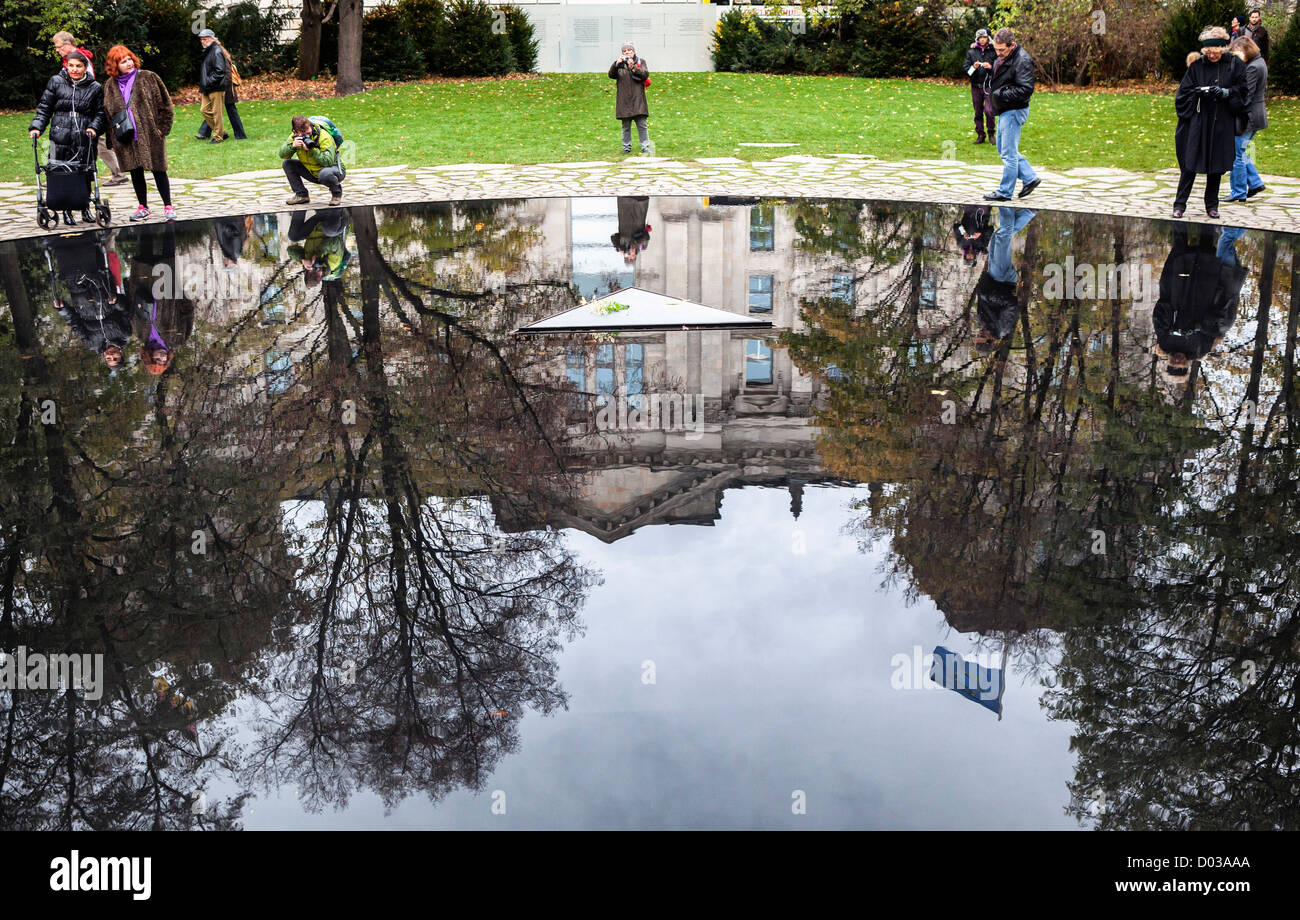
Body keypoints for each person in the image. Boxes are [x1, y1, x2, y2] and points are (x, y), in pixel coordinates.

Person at [1172, 27, 1247, 219]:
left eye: (1216, 52)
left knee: (1216, 166)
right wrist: (1197, 93)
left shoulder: (1235, 64)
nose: (1213, 56)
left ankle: (1212, 206)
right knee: (1189, 165)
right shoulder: (1197, 66)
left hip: (1222, 121)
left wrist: (1226, 93)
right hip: (1198, 122)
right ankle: (1179, 205)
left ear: (1223, 49)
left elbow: (1244, 90)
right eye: (1209, 52)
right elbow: (1182, 94)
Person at [1153, 222, 1243, 377]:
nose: (1177, 361)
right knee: (1206, 248)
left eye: (1173, 364)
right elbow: (1214, 326)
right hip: (1203, 294)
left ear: (1169, 363)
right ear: (1186, 367)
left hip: (1177, 292)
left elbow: (1158, 315)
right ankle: (1207, 219)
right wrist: (1199, 325)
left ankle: (1178, 216)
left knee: (1179, 250)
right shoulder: (1200, 349)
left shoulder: (1165, 344)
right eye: (1180, 366)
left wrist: (1170, 323)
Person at [29, 51, 107, 226]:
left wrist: (94, 127)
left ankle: (85, 205)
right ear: (66, 65)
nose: (74, 69)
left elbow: (101, 113)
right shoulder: (56, 82)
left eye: (78, 66)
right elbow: (45, 107)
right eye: (71, 65)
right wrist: (36, 126)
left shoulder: (95, 87)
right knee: (62, 171)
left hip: (84, 136)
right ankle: (66, 210)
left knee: (85, 171)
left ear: (85, 67)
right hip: (60, 134)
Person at [101, 45, 176, 222]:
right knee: (135, 171)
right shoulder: (110, 85)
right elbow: (107, 114)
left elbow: (166, 105)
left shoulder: (148, 77)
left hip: (150, 134)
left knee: (159, 169)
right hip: (126, 137)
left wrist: (162, 129)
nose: (128, 63)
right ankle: (143, 206)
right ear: (114, 65)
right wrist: (111, 141)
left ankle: (168, 205)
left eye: (129, 59)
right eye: (122, 61)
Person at [52, 31, 127, 187]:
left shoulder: (79, 59)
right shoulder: (74, 58)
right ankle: (61, 172)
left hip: (86, 106)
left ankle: (118, 173)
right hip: (82, 105)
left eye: (59, 47)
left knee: (96, 139)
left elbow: (87, 83)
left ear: (67, 44)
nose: (57, 50)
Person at [47, 232, 130, 366]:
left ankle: (56, 238)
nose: (111, 356)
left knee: (68, 262)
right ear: (121, 354)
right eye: (115, 358)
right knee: (88, 258)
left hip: (80, 297)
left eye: (109, 359)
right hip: (102, 290)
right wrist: (116, 301)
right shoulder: (125, 333)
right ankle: (84, 234)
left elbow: (74, 321)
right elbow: (125, 310)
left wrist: (62, 309)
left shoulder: (91, 344)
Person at [983, 29, 1041, 202]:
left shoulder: (1022, 60)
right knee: (1003, 149)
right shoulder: (1005, 57)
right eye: (996, 49)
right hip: (1006, 109)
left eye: (1002, 50)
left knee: (1008, 153)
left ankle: (1005, 192)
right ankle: (1030, 178)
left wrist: (1001, 95)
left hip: (1014, 110)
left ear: (1012, 45)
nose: (998, 53)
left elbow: (1026, 89)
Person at [129, 223, 193, 377]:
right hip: (167, 290)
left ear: (149, 356)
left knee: (145, 252)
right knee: (168, 254)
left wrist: (131, 288)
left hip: (144, 285)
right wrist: (180, 295)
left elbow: (132, 311)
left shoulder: (140, 335)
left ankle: (145, 222)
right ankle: (170, 222)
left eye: (157, 359)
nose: (162, 357)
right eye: (163, 360)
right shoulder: (178, 340)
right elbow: (188, 314)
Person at [973, 207, 1035, 353]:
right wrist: (989, 296)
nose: (979, 333)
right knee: (1002, 237)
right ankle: (1005, 203)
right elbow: (1012, 304)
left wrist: (984, 271)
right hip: (1002, 279)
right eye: (981, 336)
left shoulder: (985, 324)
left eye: (977, 336)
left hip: (993, 276)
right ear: (990, 340)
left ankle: (1029, 212)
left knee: (997, 237)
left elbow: (982, 298)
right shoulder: (1002, 328)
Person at [1225, 36, 1267, 202]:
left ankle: (1238, 192)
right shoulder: (1260, 62)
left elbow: (1246, 94)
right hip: (1255, 113)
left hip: (1249, 115)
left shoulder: (1252, 67)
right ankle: (1255, 183)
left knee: (1236, 155)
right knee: (1240, 151)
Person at [280, 116, 345, 206]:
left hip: (334, 171)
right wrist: (292, 146)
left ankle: (336, 194)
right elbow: (282, 155)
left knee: (325, 174)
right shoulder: (294, 137)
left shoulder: (323, 136)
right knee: (287, 164)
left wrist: (312, 150)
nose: (307, 133)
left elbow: (328, 162)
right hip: (312, 172)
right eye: (303, 132)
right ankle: (301, 195)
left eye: (308, 129)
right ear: (295, 132)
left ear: (310, 125)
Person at [195, 37, 247, 141]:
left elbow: (225, 72)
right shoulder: (217, 51)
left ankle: (239, 134)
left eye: (205, 39)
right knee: (213, 110)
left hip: (225, 86)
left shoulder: (218, 52)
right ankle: (208, 132)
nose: (203, 42)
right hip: (222, 85)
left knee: (227, 110)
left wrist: (221, 87)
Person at [288, 209, 351, 285]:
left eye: (313, 268)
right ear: (321, 275)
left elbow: (290, 250)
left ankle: (300, 205)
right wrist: (318, 254)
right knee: (329, 231)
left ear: (306, 271)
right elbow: (335, 242)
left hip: (318, 221)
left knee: (293, 236)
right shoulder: (332, 263)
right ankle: (338, 208)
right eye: (317, 269)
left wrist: (301, 259)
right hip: (337, 223)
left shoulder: (307, 261)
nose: (316, 266)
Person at [609, 42, 651, 156]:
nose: (627, 52)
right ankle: (626, 148)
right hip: (624, 100)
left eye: (629, 50)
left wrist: (633, 67)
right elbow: (611, 75)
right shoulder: (619, 65)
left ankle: (645, 147)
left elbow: (645, 74)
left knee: (642, 125)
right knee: (625, 126)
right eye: (624, 51)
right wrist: (615, 64)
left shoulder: (640, 62)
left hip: (638, 99)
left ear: (633, 51)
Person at [963, 29, 997, 144]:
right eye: (980, 37)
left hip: (988, 86)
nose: (982, 39)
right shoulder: (971, 53)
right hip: (975, 86)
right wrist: (974, 67)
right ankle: (980, 135)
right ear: (977, 39)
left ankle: (991, 133)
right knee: (978, 112)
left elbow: (999, 67)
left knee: (989, 111)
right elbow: (967, 71)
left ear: (988, 38)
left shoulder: (993, 51)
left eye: (984, 37)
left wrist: (990, 67)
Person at [197, 29, 229, 144]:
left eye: (205, 39)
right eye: (201, 39)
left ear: (212, 39)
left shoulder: (216, 51)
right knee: (204, 110)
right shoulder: (209, 50)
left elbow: (220, 71)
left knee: (217, 113)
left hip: (216, 88)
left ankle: (218, 137)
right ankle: (222, 132)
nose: (202, 41)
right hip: (208, 87)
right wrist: (204, 85)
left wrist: (208, 82)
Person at [610, 196, 651, 264]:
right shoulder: (642, 247)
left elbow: (613, 236)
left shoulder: (622, 246)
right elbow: (646, 236)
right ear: (635, 256)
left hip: (624, 205)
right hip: (639, 206)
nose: (630, 253)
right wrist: (635, 243)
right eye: (632, 256)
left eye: (627, 256)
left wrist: (618, 247)